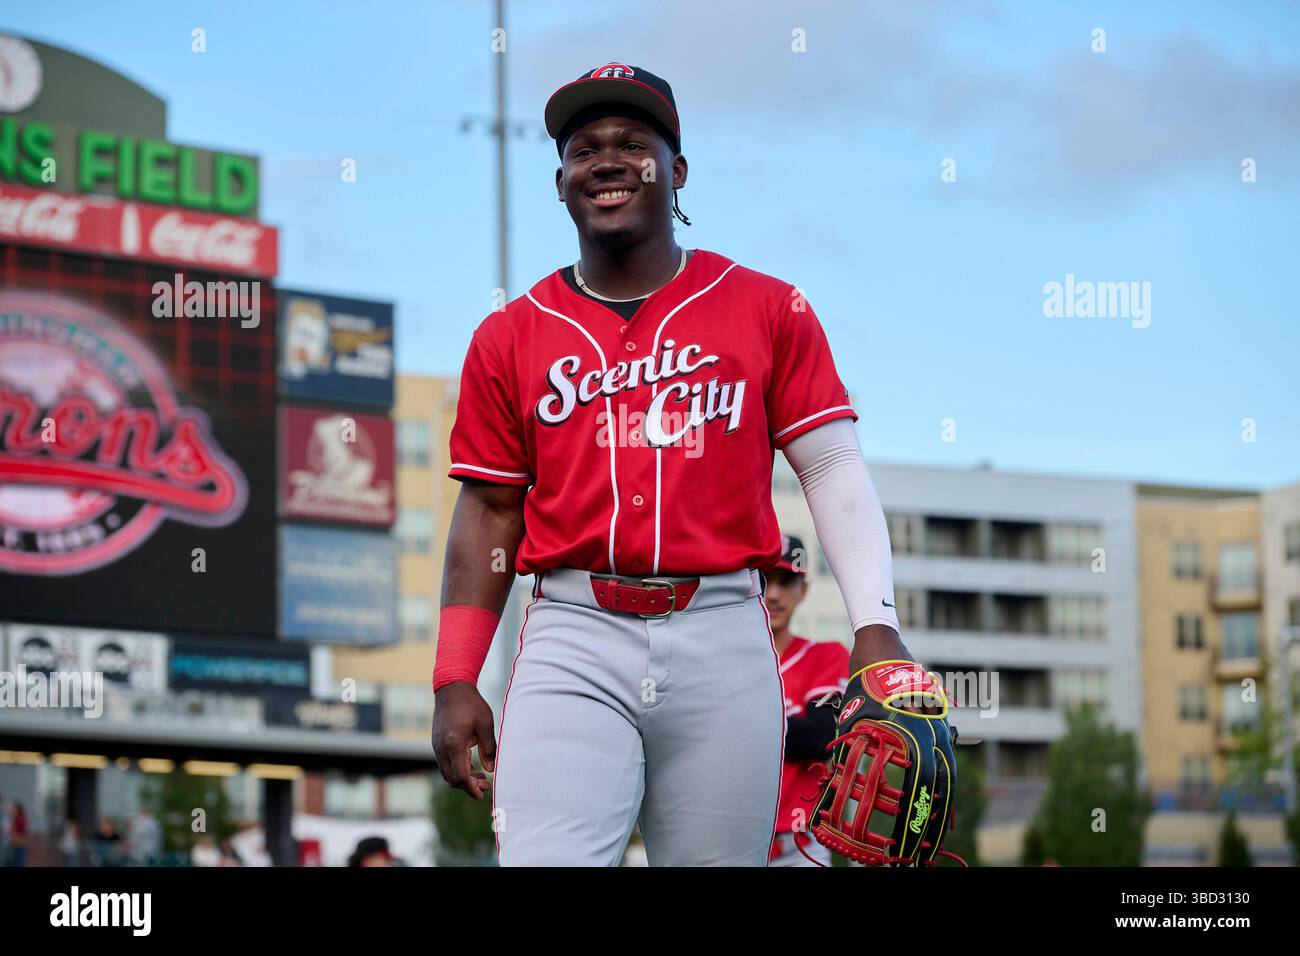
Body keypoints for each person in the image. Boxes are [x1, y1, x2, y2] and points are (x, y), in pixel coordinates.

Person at [431, 63, 921, 866]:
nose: (609, 160)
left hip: (724, 630)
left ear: (678, 170)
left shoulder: (768, 307)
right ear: (561, 183)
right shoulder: (509, 335)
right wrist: (456, 675)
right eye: (585, 148)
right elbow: (487, 512)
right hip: (574, 628)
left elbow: (830, 466)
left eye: (634, 143)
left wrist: (877, 624)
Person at [764, 535, 849, 867]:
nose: (773, 594)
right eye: (765, 579)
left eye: (786, 582)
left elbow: (821, 737)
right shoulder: (721, 659)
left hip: (799, 850)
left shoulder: (825, 655)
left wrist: (736, 723)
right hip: (728, 844)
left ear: (804, 590)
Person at [7, 801, 29, 867]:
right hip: (14, 847)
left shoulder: (20, 819)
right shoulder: (15, 819)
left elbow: (23, 835)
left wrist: (12, 834)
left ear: (17, 810)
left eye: (12, 809)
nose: (10, 811)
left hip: (19, 847)